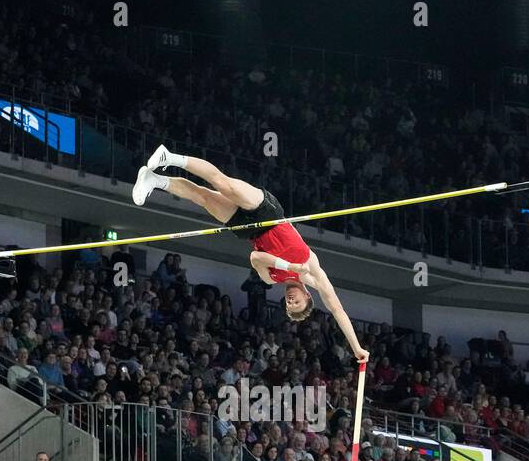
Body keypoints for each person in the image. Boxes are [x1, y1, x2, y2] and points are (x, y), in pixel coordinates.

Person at [132, 146, 367, 361]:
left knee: (203, 197)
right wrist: (356, 348)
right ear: (307, 297)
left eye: (288, 306)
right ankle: (170, 157)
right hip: (268, 214)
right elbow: (337, 310)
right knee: (224, 184)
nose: (291, 301)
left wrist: (290, 268)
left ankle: (154, 180)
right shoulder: (312, 272)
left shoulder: (270, 278)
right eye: (297, 303)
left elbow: (255, 258)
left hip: (249, 231)